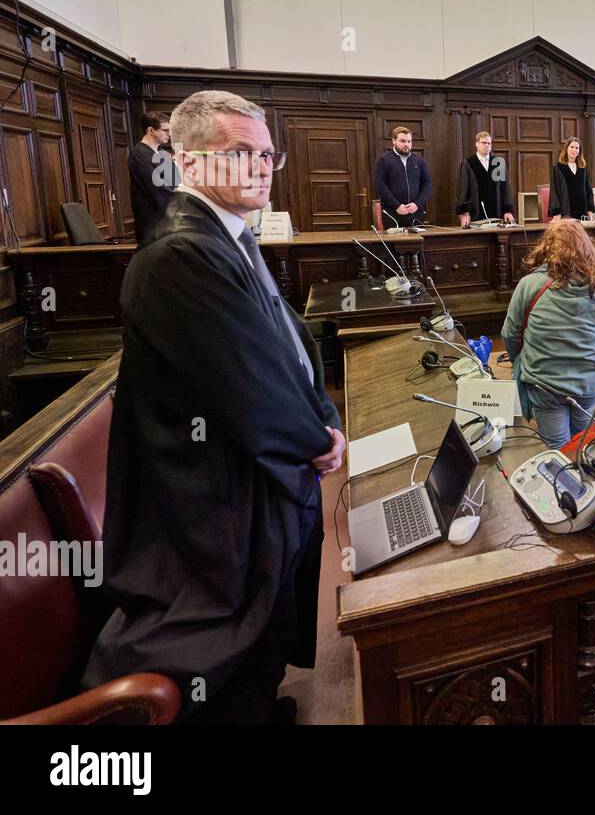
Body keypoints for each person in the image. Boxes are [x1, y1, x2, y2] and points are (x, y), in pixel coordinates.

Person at [82, 90, 345, 724]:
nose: (261, 167)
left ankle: (259, 703)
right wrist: (316, 436)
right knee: (241, 631)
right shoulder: (178, 254)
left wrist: (325, 415)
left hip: (257, 473)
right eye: (241, 154)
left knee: (271, 621)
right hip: (218, 496)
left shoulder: (226, 234)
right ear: (189, 162)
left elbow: (288, 343)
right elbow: (248, 384)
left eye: (267, 154)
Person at [502, 220, 595, 448]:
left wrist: (521, 359)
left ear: (546, 247)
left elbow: (510, 335)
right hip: (588, 380)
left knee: (558, 451)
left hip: (544, 381)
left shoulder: (529, 285)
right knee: (584, 446)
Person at [127, 111, 179, 244]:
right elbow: (156, 188)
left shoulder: (162, 152)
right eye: (165, 130)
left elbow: (176, 181)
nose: (169, 134)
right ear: (151, 130)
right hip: (152, 221)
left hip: (168, 220)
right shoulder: (139, 154)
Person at [373, 126, 432, 228]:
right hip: (392, 212)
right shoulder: (383, 160)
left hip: (415, 212)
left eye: (409, 141)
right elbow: (380, 186)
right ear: (394, 141)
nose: (406, 145)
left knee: (417, 243)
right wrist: (397, 206)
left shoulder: (419, 160)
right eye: (402, 141)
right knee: (394, 243)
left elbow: (427, 184)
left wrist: (417, 204)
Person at [456, 131, 516, 227]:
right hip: (475, 212)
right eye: (484, 143)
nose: (487, 145)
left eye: (489, 143)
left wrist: (507, 211)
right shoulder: (468, 163)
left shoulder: (498, 163)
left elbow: (505, 189)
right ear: (477, 144)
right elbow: (463, 189)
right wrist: (465, 213)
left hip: (496, 212)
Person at [549, 136, 594, 220]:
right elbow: (554, 191)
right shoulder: (558, 168)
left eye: (577, 148)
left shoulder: (583, 168)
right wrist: (557, 213)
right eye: (572, 147)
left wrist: (590, 211)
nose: (574, 150)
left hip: (582, 213)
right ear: (566, 149)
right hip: (566, 212)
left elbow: (588, 190)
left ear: (579, 151)